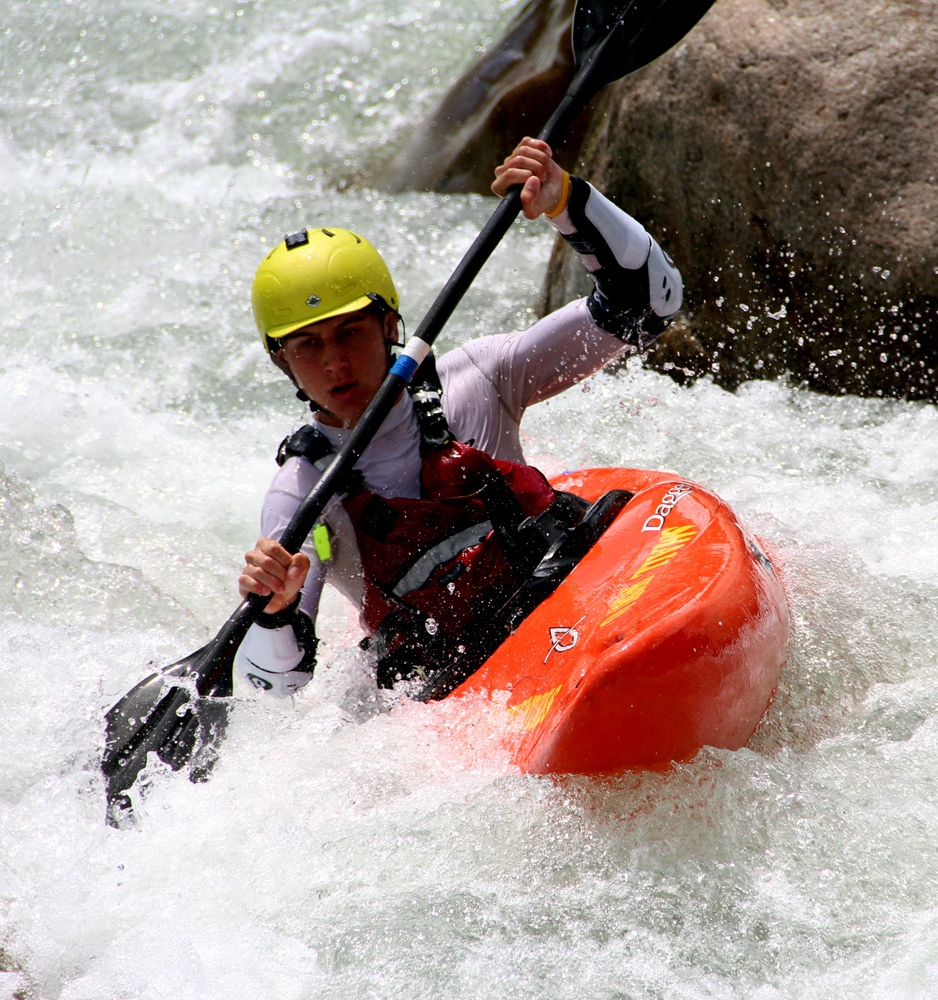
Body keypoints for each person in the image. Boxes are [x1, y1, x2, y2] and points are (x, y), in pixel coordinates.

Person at [232, 138, 682, 699]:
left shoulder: (478, 381)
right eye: (307, 345)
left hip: (566, 601)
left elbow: (648, 304)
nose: (334, 362)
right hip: (456, 686)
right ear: (280, 359)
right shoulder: (302, 495)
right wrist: (275, 612)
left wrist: (566, 200)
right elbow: (279, 687)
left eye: (350, 332)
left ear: (390, 325)